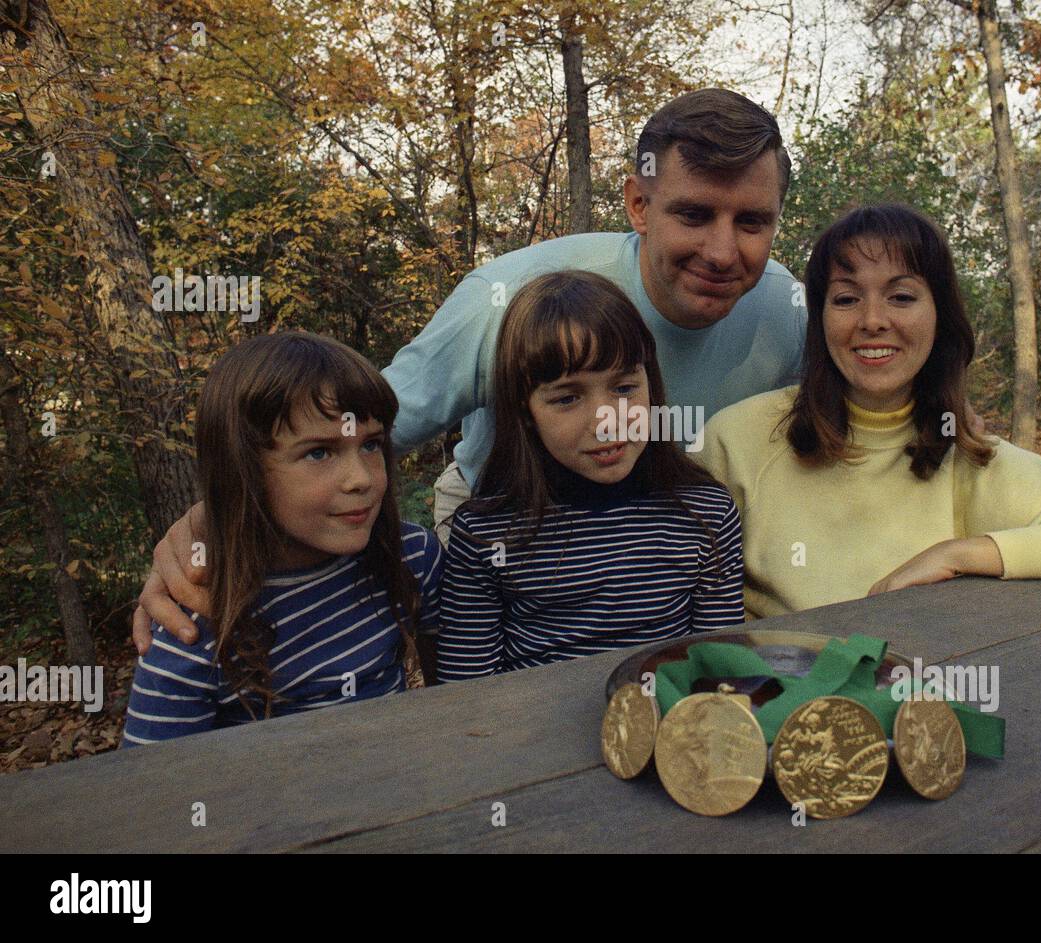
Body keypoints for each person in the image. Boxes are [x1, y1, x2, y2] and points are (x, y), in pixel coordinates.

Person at [131, 87, 805, 653]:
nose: (723, 250)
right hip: (512, 532)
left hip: (671, 542)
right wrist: (207, 525)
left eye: (751, 221)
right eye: (693, 213)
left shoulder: (788, 309)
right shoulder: (515, 298)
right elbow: (365, 426)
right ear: (638, 205)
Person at [698, 203, 1041, 620]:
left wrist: (963, 554)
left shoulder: (967, 457)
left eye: (901, 296)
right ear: (821, 318)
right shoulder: (738, 440)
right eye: (847, 298)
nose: (873, 321)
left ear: (941, 315)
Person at [121, 333, 443, 745]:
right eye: (319, 453)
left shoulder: (411, 558)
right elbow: (151, 790)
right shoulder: (196, 622)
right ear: (244, 469)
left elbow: (455, 699)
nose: (361, 479)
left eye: (371, 445)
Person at [437, 271, 744, 680]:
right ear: (526, 413)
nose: (608, 422)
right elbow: (467, 695)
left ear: (650, 385)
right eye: (567, 398)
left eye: (623, 389)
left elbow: (719, 668)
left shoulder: (706, 515)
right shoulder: (484, 535)